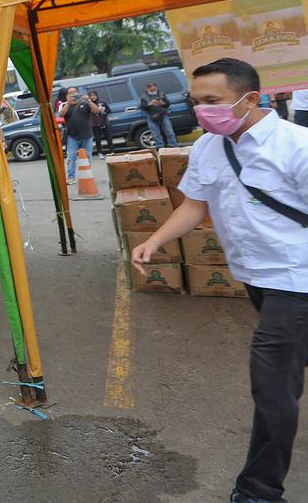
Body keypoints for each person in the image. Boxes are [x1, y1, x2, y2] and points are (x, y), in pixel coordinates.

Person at [130, 58, 308, 503]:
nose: (202, 111)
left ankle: (258, 491)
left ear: (250, 98)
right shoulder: (211, 146)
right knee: (286, 373)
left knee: (272, 385)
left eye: (213, 101)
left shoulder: (296, 146)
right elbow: (195, 206)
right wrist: (154, 241)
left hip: (296, 279)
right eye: (196, 102)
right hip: (255, 279)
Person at [57, 86, 100, 184]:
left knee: (87, 156)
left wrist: (88, 100)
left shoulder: (85, 103)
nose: (73, 94)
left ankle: (87, 174)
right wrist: (68, 102)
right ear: (66, 96)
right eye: (70, 93)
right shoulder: (65, 105)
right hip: (73, 136)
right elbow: (61, 115)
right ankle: (71, 177)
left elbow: (96, 111)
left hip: (87, 135)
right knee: (71, 157)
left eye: (75, 92)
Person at [141, 81, 177, 148]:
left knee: (169, 131)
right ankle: (160, 147)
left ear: (156, 86)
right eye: (150, 88)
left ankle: (173, 145)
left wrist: (162, 103)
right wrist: (150, 104)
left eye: (153, 87)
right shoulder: (143, 97)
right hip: (151, 116)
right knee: (155, 134)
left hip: (163, 114)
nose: (152, 89)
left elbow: (167, 104)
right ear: (147, 88)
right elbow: (142, 107)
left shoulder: (162, 94)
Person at [89, 90, 113, 159]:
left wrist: (104, 111)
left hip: (104, 122)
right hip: (95, 124)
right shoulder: (88, 104)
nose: (93, 97)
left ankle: (111, 151)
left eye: (94, 95)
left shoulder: (102, 102)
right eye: (91, 95)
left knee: (109, 137)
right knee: (97, 139)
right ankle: (100, 153)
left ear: (97, 95)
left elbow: (109, 110)